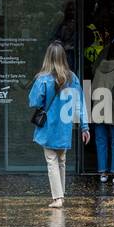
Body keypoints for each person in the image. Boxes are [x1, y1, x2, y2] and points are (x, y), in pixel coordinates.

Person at [28, 41, 90, 208]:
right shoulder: (72, 78)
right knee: (61, 160)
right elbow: (80, 103)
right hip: (64, 127)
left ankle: (58, 198)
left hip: (48, 126)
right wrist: (85, 126)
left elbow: (33, 101)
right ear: (63, 57)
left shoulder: (43, 79)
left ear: (48, 58)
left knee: (51, 161)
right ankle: (61, 194)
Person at [90, 45, 114, 184]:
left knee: (101, 141)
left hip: (98, 108)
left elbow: (93, 88)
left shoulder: (99, 68)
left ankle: (103, 173)